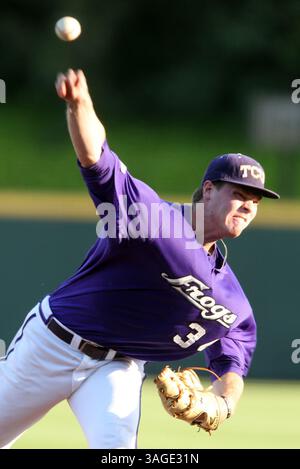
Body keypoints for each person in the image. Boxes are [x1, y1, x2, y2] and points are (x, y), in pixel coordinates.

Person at [0, 69, 279, 449]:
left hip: (118, 368)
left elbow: (233, 363)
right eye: (240, 193)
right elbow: (97, 158)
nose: (248, 205)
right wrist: (80, 104)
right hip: (51, 346)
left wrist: (223, 404)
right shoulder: (152, 218)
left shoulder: (232, 301)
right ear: (209, 190)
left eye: (256, 200)